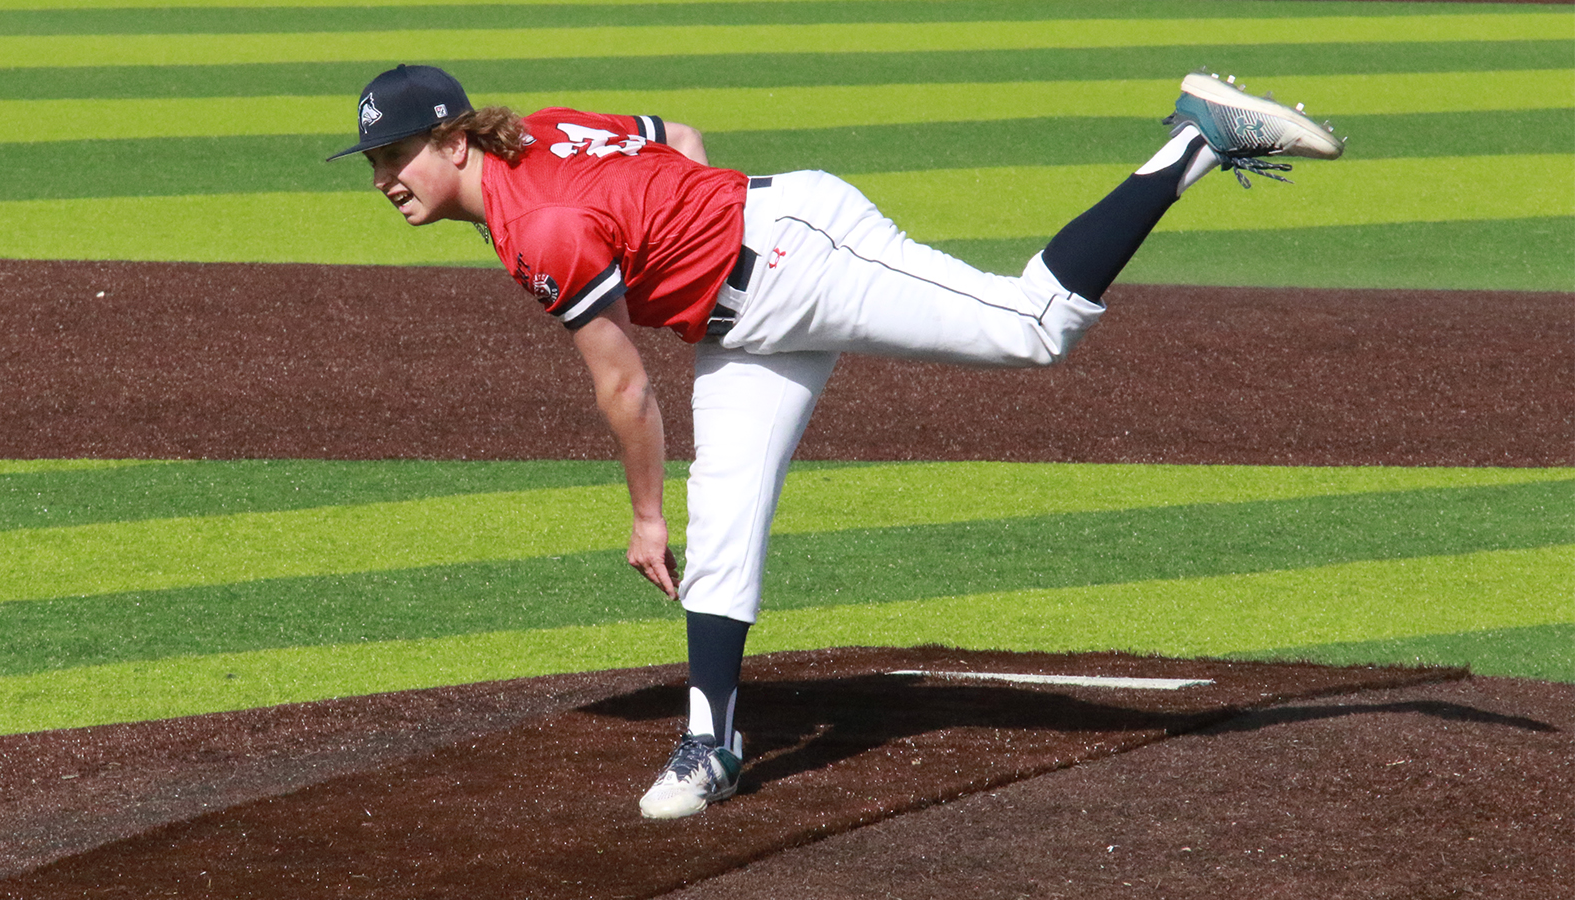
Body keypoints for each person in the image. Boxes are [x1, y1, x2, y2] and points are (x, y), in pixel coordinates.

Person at [328, 63, 1343, 820]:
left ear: (455, 141)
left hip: (800, 254)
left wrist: (642, 516)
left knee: (1032, 327)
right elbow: (675, 131)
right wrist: (681, 222)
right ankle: (707, 746)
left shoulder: (532, 230)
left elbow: (624, 386)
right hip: (742, 313)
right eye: (374, 161)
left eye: (395, 154)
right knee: (724, 517)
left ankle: (1194, 140)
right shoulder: (541, 135)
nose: (383, 177)